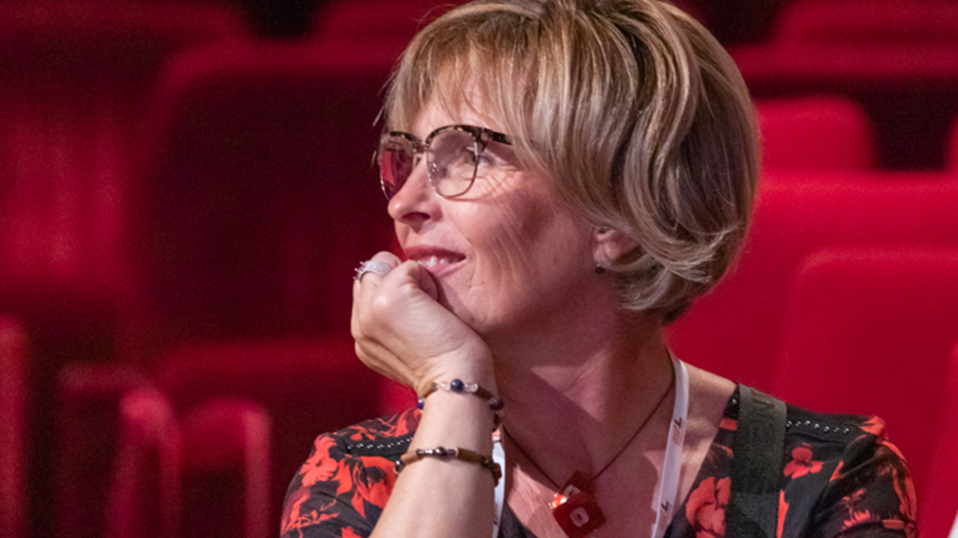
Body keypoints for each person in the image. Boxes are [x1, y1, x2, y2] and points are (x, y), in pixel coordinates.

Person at [280, 0, 918, 537]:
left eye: (464, 157)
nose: (405, 203)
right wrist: (454, 388)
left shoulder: (823, 481)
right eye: (409, 158)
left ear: (619, 218)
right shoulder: (356, 478)